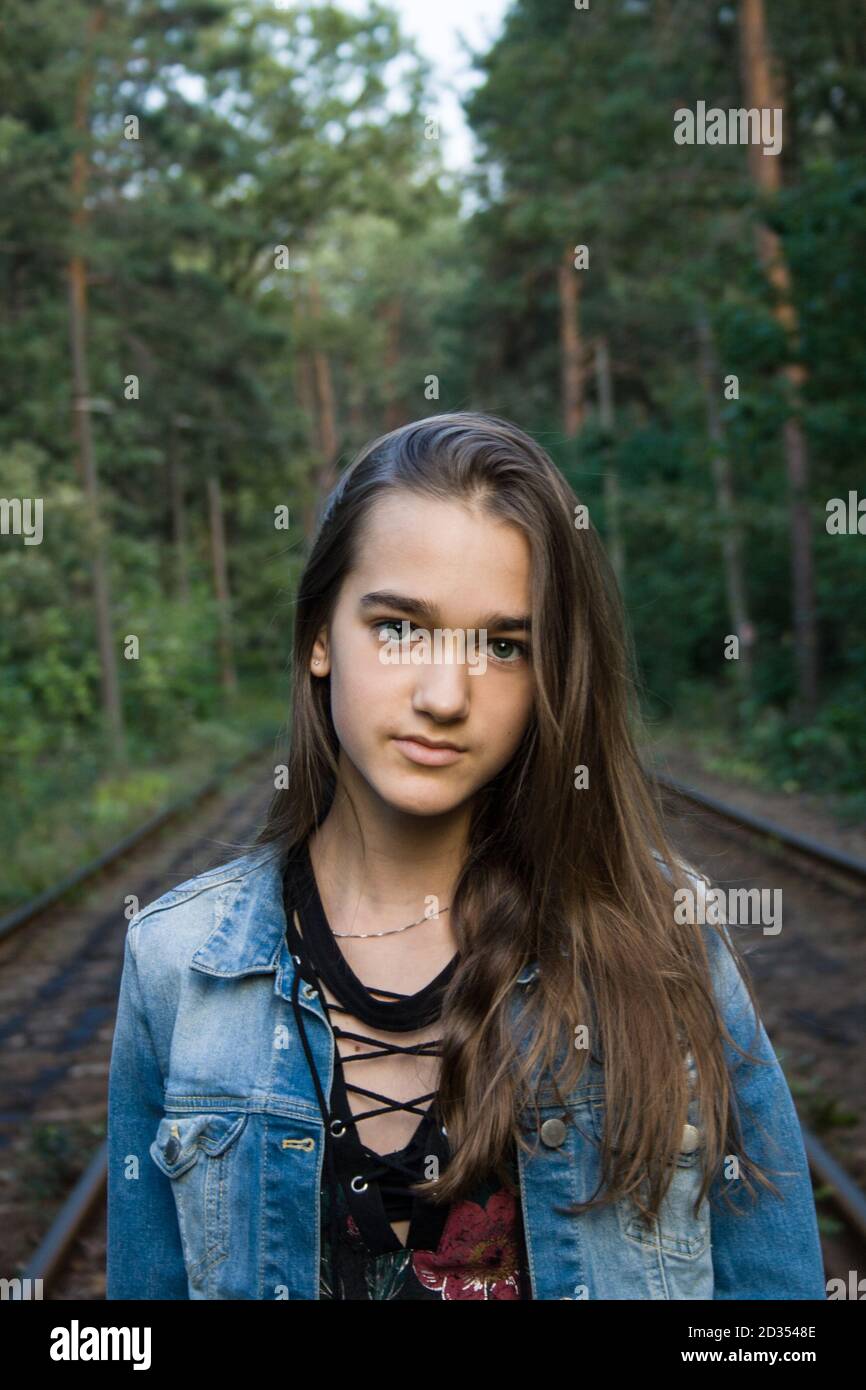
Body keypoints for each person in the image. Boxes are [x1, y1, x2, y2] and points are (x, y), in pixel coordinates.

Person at [106, 411, 826, 1300]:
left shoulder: (665, 942)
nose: (446, 695)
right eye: (401, 627)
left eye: (501, 644)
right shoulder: (178, 966)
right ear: (319, 638)